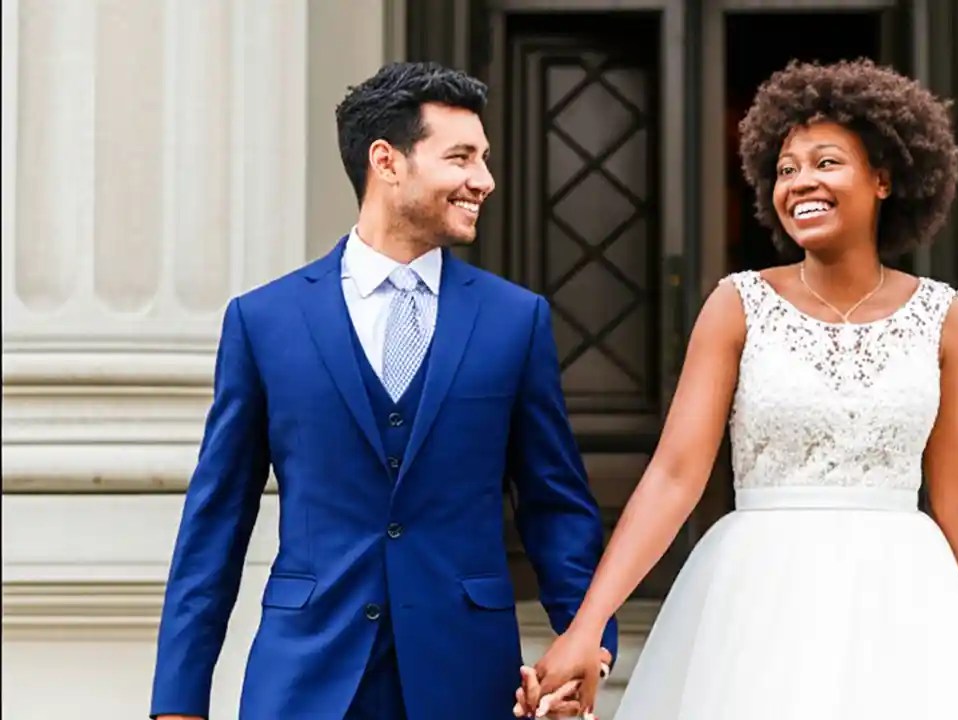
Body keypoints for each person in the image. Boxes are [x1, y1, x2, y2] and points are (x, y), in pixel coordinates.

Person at [517, 59, 958, 719]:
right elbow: (674, 477)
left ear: (884, 178)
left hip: (907, 606)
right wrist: (586, 626)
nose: (801, 183)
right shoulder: (736, 305)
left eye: (826, 162)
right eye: (786, 168)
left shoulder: (942, 317)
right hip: (760, 599)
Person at [149, 61, 615, 720]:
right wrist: (178, 701)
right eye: (461, 157)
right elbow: (215, 523)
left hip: (467, 681)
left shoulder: (516, 321)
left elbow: (555, 505)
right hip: (305, 680)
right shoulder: (265, 322)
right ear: (387, 162)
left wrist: (585, 644)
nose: (484, 180)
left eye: (484, 159)